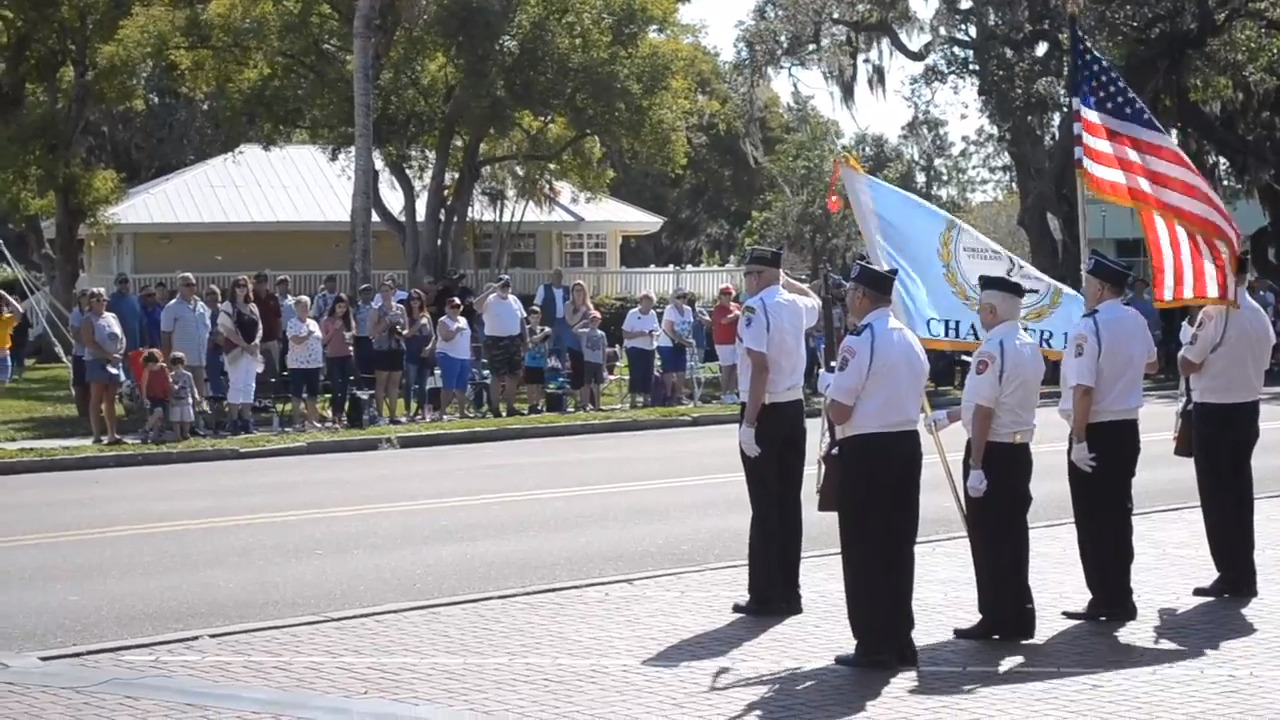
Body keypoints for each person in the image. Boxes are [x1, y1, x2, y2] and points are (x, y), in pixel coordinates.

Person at [817, 260, 927, 670]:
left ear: (863, 296)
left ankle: (873, 642)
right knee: (898, 547)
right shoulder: (908, 338)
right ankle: (900, 637)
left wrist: (827, 387)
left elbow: (841, 411)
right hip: (904, 446)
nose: (847, 300)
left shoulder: (860, 340)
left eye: (849, 294)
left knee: (864, 549)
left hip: (868, 452)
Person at [928, 275, 1044, 641]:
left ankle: (996, 616)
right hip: (1018, 450)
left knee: (988, 538)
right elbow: (997, 401)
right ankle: (1020, 614)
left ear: (992, 310)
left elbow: (984, 410)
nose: (979, 314)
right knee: (1013, 535)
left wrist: (976, 466)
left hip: (991, 453)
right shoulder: (1028, 345)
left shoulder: (991, 350)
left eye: (981, 308)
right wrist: (949, 416)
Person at [1058, 249, 1158, 622]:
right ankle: (1121, 595)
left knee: (1093, 519)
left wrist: (1079, 439)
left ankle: (1105, 597)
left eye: (1088, 284)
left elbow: (1083, 389)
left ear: (1100, 288)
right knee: (1118, 515)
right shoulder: (1135, 319)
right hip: (1126, 428)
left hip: (1096, 430)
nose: (1085, 290)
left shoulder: (1089, 326)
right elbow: (1152, 363)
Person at [732, 246, 821, 619]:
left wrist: (749, 423)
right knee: (788, 504)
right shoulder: (795, 306)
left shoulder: (755, 309)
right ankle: (790, 591)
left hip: (765, 409)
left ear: (757, 276)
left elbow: (760, 369)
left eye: (749, 275)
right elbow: (815, 301)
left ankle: (766, 594)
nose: (746, 282)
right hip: (793, 408)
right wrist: (790, 282)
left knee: (765, 505)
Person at [1179, 250, 1274, 599]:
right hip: (1247, 410)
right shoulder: (1258, 314)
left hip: (1216, 413)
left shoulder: (1215, 313)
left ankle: (1231, 574)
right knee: (1239, 496)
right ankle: (1243, 571)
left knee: (1218, 498)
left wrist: (1185, 334)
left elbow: (1187, 363)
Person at [81, 288, 129, 445]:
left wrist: (119, 353)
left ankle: (112, 434)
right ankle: (96, 434)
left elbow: (122, 337)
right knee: (96, 397)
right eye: (98, 300)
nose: (102, 303)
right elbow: (89, 342)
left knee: (111, 398)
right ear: (91, 303)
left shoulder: (112, 317)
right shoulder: (89, 320)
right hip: (97, 361)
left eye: (104, 300)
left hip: (114, 362)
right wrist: (107, 355)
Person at [476, 274, 529, 417]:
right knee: (497, 376)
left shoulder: (514, 300)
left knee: (514, 375)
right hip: (495, 341)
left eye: (507, 285)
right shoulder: (490, 300)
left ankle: (510, 407)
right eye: (502, 285)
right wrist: (490, 290)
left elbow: (522, 321)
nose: (504, 288)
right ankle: (495, 408)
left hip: (514, 341)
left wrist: (526, 340)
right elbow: (476, 306)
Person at [219, 276, 265, 435]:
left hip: (252, 352)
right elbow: (227, 329)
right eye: (238, 286)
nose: (241, 288)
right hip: (235, 351)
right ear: (233, 288)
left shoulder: (252, 307)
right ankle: (233, 421)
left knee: (249, 385)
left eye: (244, 285)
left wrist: (256, 343)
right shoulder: (228, 306)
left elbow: (259, 327)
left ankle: (246, 421)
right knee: (236, 384)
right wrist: (244, 345)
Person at [371, 280, 408, 424]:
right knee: (381, 382)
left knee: (394, 383)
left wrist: (401, 332)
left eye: (388, 291)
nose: (385, 294)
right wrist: (386, 321)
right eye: (382, 291)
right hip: (382, 348)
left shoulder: (400, 308)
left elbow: (405, 327)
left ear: (393, 292)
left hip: (397, 347)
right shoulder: (377, 310)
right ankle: (380, 415)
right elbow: (373, 331)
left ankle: (393, 415)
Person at [286, 295, 324, 430]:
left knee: (313, 394)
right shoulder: (292, 323)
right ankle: (296, 422)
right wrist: (307, 335)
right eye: (302, 307)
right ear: (296, 308)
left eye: (307, 307)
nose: (305, 310)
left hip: (314, 364)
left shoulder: (313, 323)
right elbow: (295, 340)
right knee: (297, 393)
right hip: (298, 364)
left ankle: (311, 420)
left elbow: (320, 340)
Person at [322, 293, 356, 427]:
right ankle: (335, 416)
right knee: (336, 387)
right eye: (339, 307)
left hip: (347, 356)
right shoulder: (327, 321)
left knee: (345, 387)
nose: (341, 310)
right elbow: (324, 340)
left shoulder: (349, 320)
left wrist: (351, 337)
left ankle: (341, 415)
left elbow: (353, 336)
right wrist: (334, 329)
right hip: (333, 357)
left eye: (344, 307)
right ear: (334, 306)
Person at [621, 291, 660, 408]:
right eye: (646, 302)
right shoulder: (632, 314)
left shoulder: (652, 314)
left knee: (648, 373)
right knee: (636, 373)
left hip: (649, 347)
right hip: (634, 347)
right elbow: (625, 334)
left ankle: (646, 399)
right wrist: (639, 334)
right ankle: (633, 400)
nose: (648, 306)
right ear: (641, 302)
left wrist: (654, 334)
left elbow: (657, 329)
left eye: (650, 303)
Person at [402, 289, 437, 420]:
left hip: (425, 353)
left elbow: (433, 336)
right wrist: (418, 324)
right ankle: (407, 412)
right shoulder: (407, 317)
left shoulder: (426, 316)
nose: (414, 301)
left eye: (417, 299)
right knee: (409, 383)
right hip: (411, 352)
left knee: (423, 385)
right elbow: (407, 334)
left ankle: (423, 412)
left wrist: (429, 348)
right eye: (412, 299)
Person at [436, 297, 473, 418]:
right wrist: (456, 330)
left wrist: (470, 353)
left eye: (457, 306)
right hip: (448, 355)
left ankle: (462, 412)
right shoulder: (443, 321)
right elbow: (445, 337)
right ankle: (442, 412)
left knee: (462, 386)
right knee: (448, 386)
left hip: (464, 356)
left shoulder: (463, 320)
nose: (455, 309)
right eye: (452, 307)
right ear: (446, 308)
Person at [658, 287, 696, 404]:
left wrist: (687, 340)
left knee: (681, 370)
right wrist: (681, 341)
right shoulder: (670, 310)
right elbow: (669, 329)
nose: (682, 299)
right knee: (669, 370)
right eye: (679, 297)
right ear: (674, 299)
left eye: (684, 296)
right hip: (668, 343)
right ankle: (669, 396)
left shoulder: (688, 310)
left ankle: (679, 395)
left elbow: (689, 326)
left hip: (681, 343)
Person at [711, 285, 742, 404]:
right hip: (723, 342)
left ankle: (732, 392)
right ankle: (724, 394)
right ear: (720, 296)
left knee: (734, 368)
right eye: (724, 294)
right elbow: (724, 321)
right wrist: (735, 315)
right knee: (726, 368)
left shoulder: (736, 307)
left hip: (735, 341)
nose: (727, 297)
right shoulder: (718, 309)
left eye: (729, 294)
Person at [534, 268, 571, 365]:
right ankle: (547, 370)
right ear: (551, 276)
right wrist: (536, 321)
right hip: (548, 323)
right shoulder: (544, 288)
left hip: (563, 323)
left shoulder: (567, 290)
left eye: (559, 275)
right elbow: (536, 305)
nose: (557, 277)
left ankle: (561, 370)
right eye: (555, 275)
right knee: (548, 348)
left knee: (563, 348)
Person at [575, 310, 607, 411]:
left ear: (599, 322)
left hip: (598, 361)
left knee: (597, 385)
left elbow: (603, 349)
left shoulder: (602, 334)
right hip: (588, 361)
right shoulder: (585, 332)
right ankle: (586, 404)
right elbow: (574, 330)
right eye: (592, 320)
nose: (594, 322)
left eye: (596, 320)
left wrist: (604, 363)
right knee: (587, 384)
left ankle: (598, 405)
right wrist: (582, 323)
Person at [523, 307, 552, 413]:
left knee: (539, 385)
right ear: (529, 318)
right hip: (529, 362)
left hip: (540, 362)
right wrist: (544, 333)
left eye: (537, 317)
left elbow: (545, 346)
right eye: (533, 317)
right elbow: (533, 340)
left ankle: (537, 404)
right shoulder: (527, 330)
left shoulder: (542, 329)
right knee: (530, 385)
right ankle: (531, 405)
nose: (535, 320)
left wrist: (546, 360)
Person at [139, 349, 171, 443]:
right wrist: (144, 398)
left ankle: (155, 436)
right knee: (158, 411)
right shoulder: (147, 370)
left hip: (162, 395)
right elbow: (143, 385)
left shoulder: (163, 368)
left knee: (158, 417)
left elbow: (168, 380)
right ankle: (146, 428)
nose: (150, 366)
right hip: (152, 396)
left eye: (152, 364)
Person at [168, 351, 197, 440]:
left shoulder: (188, 375)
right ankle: (177, 435)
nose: (177, 366)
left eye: (180, 363)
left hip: (186, 399)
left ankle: (186, 433)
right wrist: (170, 399)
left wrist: (195, 395)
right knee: (176, 419)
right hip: (175, 400)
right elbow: (168, 389)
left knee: (186, 419)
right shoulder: (170, 376)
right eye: (175, 363)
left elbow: (193, 387)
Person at [0, 288, 23, 386]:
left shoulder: (6, 320)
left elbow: (19, 312)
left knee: (2, 388)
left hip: (4, 356)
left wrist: (6, 296)